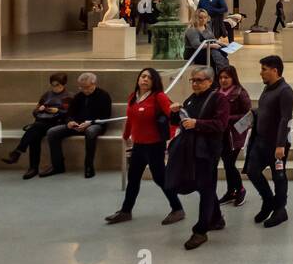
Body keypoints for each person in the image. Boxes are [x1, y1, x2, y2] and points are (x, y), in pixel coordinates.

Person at [105, 67, 185, 226]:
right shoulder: (133, 97)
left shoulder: (159, 97)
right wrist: (126, 136)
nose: (145, 79)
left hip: (155, 145)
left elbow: (173, 118)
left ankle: (177, 208)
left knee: (160, 178)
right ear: (138, 79)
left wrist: (174, 118)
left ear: (155, 81)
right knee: (133, 178)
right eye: (143, 76)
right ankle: (126, 211)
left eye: (149, 77)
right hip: (139, 146)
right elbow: (130, 119)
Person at [174, 67, 232, 250]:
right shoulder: (191, 99)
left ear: (209, 81)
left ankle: (200, 230)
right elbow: (183, 122)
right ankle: (216, 218)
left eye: (198, 80)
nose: (195, 83)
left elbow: (221, 124)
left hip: (208, 151)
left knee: (206, 188)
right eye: (192, 80)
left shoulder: (218, 99)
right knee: (204, 186)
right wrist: (175, 113)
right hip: (193, 150)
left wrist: (197, 124)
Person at [244, 54, 293, 228]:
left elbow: (285, 119)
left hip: (276, 144)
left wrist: (280, 145)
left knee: (278, 176)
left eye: (264, 69)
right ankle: (268, 201)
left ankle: (280, 209)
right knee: (252, 171)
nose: (261, 73)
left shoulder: (285, 91)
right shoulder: (268, 87)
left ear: (275, 70)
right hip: (261, 141)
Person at [0, 71, 71, 178]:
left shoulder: (68, 96)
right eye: (53, 85)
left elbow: (70, 113)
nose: (55, 87)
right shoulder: (47, 95)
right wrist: (40, 110)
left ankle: (18, 154)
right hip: (42, 122)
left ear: (63, 84)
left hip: (56, 123)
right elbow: (35, 112)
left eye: (58, 85)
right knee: (34, 135)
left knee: (34, 129)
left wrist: (57, 111)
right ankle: (32, 167)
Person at [42, 72, 112, 178]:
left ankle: (89, 166)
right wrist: (69, 121)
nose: (84, 90)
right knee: (52, 132)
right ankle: (58, 166)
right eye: (81, 87)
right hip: (78, 124)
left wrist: (89, 123)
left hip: (95, 124)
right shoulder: (79, 96)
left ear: (94, 84)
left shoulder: (104, 96)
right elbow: (70, 113)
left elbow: (105, 117)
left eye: (86, 87)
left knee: (90, 131)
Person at [216, 64, 251, 206]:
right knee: (226, 164)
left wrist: (227, 118)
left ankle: (240, 189)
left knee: (229, 164)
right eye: (221, 77)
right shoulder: (216, 92)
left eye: (227, 77)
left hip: (234, 136)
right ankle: (231, 191)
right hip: (220, 135)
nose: (223, 80)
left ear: (233, 78)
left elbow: (248, 116)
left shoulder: (240, 93)